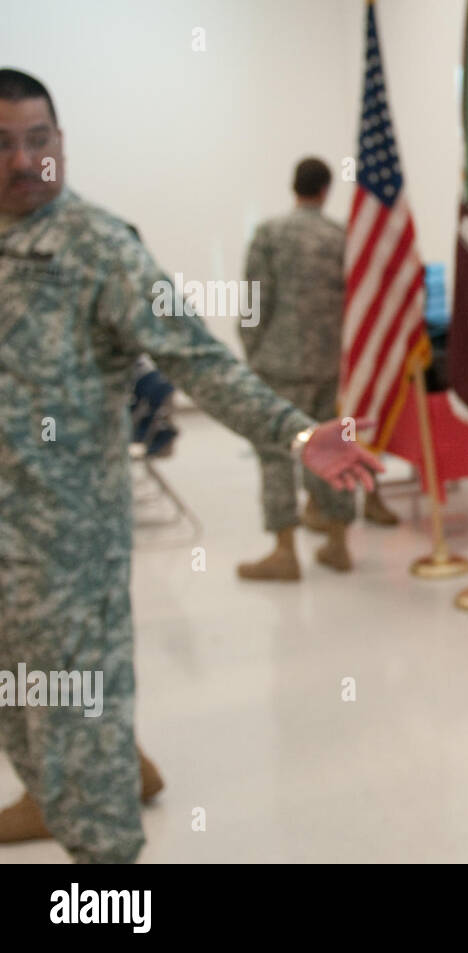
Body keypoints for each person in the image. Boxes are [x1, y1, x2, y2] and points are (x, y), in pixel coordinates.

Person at [0, 68, 381, 863]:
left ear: (61, 143)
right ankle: (48, 794)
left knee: (85, 733)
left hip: (66, 553)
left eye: (38, 140)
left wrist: (295, 432)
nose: (23, 159)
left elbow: (197, 358)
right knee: (20, 712)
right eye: (3, 144)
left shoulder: (99, 246)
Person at [237, 157, 360, 580]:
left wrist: (251, 351)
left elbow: (255, 300)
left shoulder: (270, 234)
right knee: (331, 447)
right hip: (328, 363)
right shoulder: (339, 237)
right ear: (325, 190)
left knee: (275, 453)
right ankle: (339, 542)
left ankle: (284, 549)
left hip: (278, 364)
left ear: (294, 186)